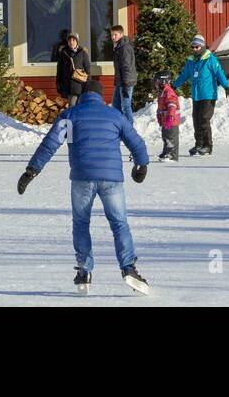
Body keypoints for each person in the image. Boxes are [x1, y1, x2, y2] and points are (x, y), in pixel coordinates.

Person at [17, 79, 151, 295]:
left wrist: (31, 171)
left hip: (82, 178)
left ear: (82, 96)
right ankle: (128, 268)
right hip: (111, 179)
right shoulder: (115, 115)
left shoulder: (70, 116)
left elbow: (51, 143)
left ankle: (84, 271)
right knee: (119, 223)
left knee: (81, 224)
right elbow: (136, 142)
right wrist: (141, 165)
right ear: (101, 97)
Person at [170, 34, 229, 156]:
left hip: (208, 95)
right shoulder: (191, 61)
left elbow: (219, 73)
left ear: (202, 46)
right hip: (197, 95)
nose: (194, 49)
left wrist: (226, 86)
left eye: (197, 47)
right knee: (196, 120)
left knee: (204, 120)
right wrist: (175, 85)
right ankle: (199, 144)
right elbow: (184, 75)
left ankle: (207, 146)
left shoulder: (210, 59)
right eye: (192, 47)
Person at [54, 31, 91, 106]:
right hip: (67, 85)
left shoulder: (82, 53)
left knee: (72, 105)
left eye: (73, 40)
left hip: (79, 85)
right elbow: (59, 70)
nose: (71, 42)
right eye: (69, 40)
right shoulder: (63, 53)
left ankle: (74, 117)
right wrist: (58, 83)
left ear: (77, 41)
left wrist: (88, 84)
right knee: (72, 104)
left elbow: (88, 69)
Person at [109, 24, 137, 124]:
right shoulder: (119, 47)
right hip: (120, 82)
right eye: (112, 35)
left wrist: (125, 85)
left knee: (125, 106)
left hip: (126, 82)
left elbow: (126, 67)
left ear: (121, 34)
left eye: (115, 35)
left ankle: (129, 129)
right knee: (116, 105)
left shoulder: (124, 48)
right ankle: (120, 125)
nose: (113, 37)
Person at [154, 71, 181, 161]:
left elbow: (172, 105)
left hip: (171, 120)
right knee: (165, 137)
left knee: (171, 137)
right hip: (165, 119)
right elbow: (161, 107)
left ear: (163, 81)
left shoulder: (169, 91)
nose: (156, 84)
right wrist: (159, 115)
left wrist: (170, 116)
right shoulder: (162, 92)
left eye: (157, 81)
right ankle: (166, 152)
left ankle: (172, 155)